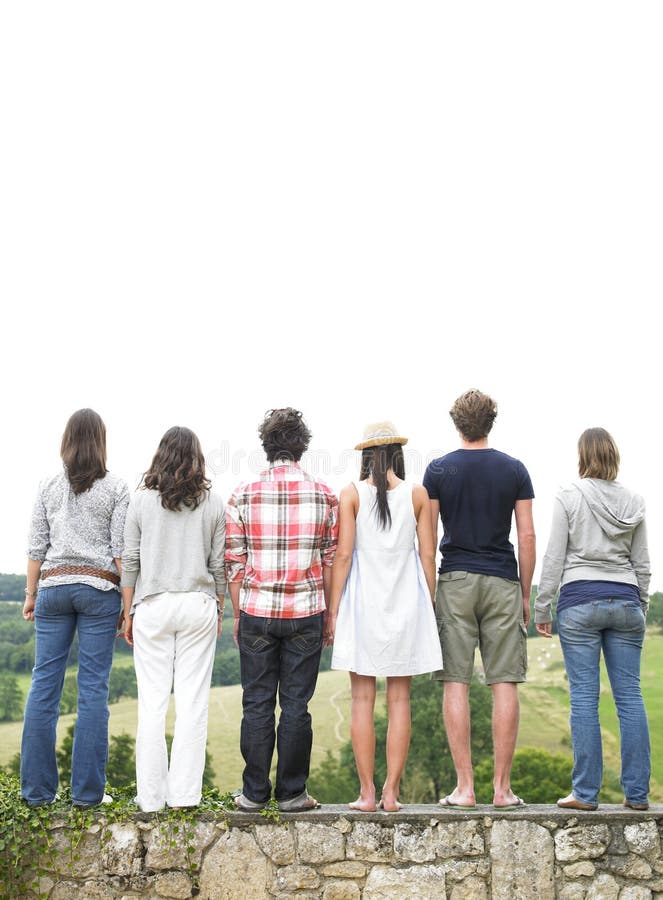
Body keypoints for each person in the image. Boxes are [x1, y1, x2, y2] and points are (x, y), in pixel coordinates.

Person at [423, 389, 535, 810]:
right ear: (491, 421)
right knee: (504, 681)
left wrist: (430, 590)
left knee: (456, 682)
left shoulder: (438, 470)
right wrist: (525, 592)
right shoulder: (515, 470)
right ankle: (502, 791)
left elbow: (428, 538)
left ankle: (465, 789)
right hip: (503, 579)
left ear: (458, 423)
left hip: (454, 579)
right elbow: (526, 535)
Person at [226, 408, 338, 812]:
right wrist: (329, 614)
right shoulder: (325, 495)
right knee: (296, 705)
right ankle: (292, 793)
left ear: (267, 446)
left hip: (256, 608)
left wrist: (239, 613)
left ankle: (254, 794)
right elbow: (330, 559)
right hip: (306, 610)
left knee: (256, 702)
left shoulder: (242, 493)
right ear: (302, 446)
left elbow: (234, 562)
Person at [328, 421, 442, 812]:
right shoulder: (418, 494)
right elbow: (429, 556)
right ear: (398, 454)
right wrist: (429, 602)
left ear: (366, 455)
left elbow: (343, 556)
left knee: (362, 698)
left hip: (362, 603)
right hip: (407, 601)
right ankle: (392, 792)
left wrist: (333, 607)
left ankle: (367, 793)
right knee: (400, 700)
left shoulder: (351, 493)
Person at [535, 427, 651, 811]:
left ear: (582, 456)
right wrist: (641, 605)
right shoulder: (634, 501)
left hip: (579, 602)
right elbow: (642, 563)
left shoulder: (568, 495)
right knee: (630, 699)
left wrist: (542, 605)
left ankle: (585, 794)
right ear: (614, 455)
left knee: (584, 699)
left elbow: (554, 555)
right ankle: (637, 795)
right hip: (626, 601)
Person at [21, 408, 129, 808]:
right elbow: (120, 552)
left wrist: (31, 594)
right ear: (101, 442)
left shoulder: (48, 486)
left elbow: (36, 548)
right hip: (99, 590)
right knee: (92, 689)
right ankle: (86, 794)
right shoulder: (117, 488)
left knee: (43, 685)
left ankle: (36, 793)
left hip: (53, 588)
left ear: (66, 441)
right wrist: (129, 601)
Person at [120, 426, 226, 812]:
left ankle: (150, 797)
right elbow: (218, 564)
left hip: (153, 603)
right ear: (196, 457)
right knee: (193, 702)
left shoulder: (141, 501)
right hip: (197, 603)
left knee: (151, 703)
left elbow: (131, 560)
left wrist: (128, 610)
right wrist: (219, 605)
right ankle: (184, 795)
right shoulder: (214, 503)